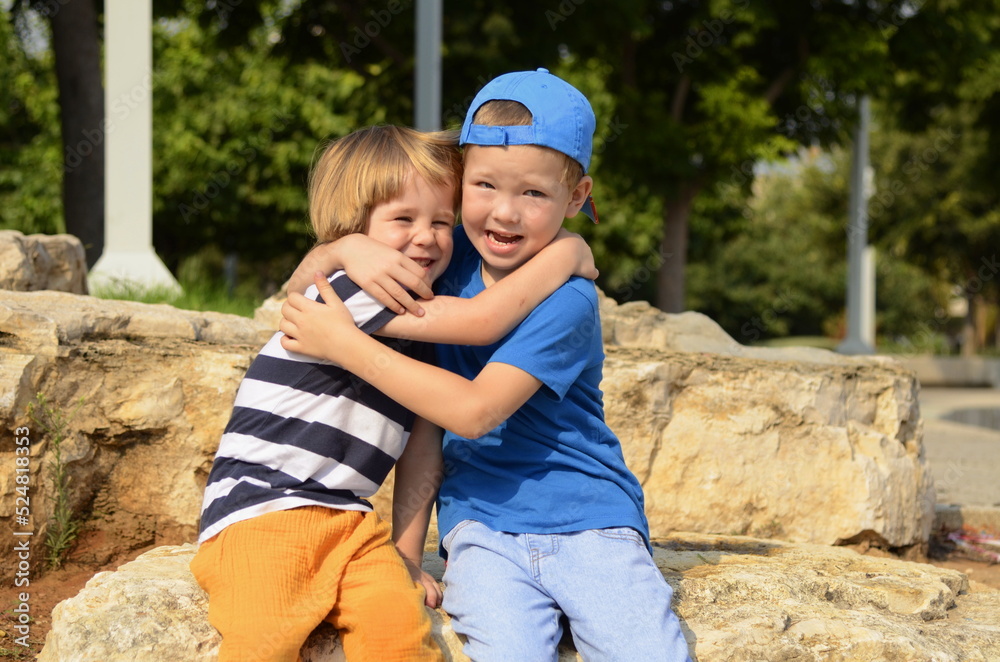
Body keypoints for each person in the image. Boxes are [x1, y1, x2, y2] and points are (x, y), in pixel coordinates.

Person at [280, 70, 692, 661]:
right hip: (480, 532)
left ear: (576, 198)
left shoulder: (568, 299)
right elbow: (424, 425)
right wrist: (341, 249)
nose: (505, 214)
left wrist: (347, 339)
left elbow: (473, 412)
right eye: (484, 186)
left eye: (534, 194)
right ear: (460, 180)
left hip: (591, 523)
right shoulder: (445, 261)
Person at [191, 123, 598, 662]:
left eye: (440, 221)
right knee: (263, 639)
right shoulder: (356, 293)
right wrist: (567, 253)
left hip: (351, 521)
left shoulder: (415, 330)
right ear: (355, 231)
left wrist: (408, 555)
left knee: (398, 633)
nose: (426, 237)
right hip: (264, 508)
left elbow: (424, 450)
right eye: (403, 220)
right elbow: (481, 320)